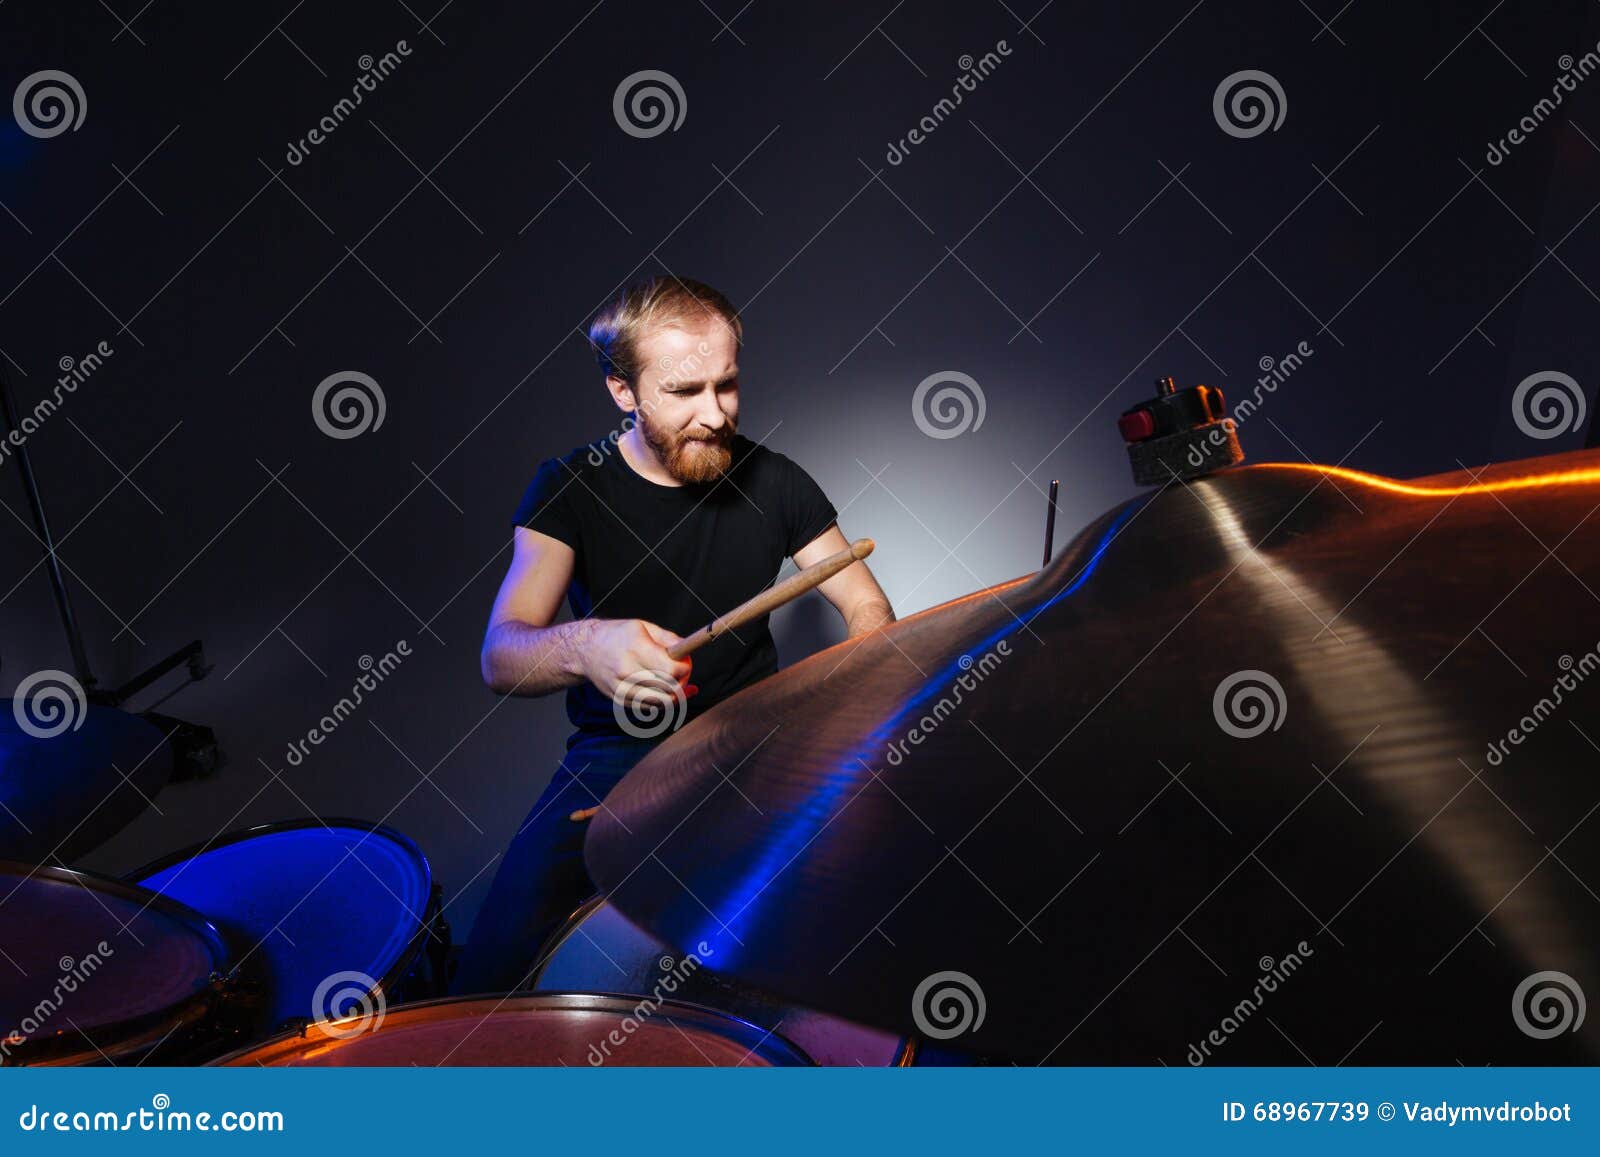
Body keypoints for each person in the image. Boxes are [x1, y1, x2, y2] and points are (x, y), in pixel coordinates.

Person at [451, 276, 894, 994]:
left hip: (759, 749)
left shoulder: (775, 480)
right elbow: (501, 655)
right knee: (496, 968)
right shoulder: (570, 486)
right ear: (623, 391)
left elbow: (864, 601)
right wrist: (584, 644)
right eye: (686, 391)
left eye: (727, 385)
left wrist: (844, 694)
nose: (716, 414)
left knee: (840, 942)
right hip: (615, 758)